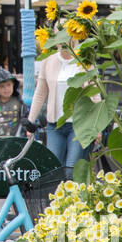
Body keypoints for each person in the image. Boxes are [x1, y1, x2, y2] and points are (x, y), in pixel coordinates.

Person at [31, 43, 91, 178]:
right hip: (55, 125)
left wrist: (97, 126)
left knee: (71, 170)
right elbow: (40, 94)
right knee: (52, 169)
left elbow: (94, 93)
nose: (65, 42)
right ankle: (56, 199)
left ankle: (72, 199)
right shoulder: (48, 60)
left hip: (78, 125)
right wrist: (30, 122)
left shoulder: (85, 59)